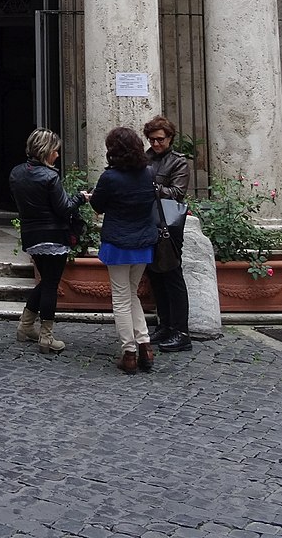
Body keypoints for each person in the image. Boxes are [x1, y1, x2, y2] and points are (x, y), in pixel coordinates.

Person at [8, 127, 87, 354]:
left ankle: (25, 326)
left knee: (45, 281)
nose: (58, 155)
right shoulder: (50, 176)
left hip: (32, 235)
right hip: (54, 236)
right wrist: (80, 197)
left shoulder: (16, 173)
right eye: (56, 150)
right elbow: (64, 209)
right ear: (46, 151)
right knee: (51, 284)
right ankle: (46, 336)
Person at [91, 127, 160, 374]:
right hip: (143, 241)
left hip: (119, 243)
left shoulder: (110, 178)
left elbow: (98, 204)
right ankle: (145, 346)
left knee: (121, 298)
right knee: (132, 294)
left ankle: (129, 352)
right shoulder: (148, 173)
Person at [143, 115, 192, 353]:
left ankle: (181, 331)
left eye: (160, 139)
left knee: (172, 275)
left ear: (170, 138)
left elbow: (177, 192)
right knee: (155, 275)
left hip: (169, 225)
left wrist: (152, 188)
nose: (156, 144)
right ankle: (164, 325)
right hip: (149, 221)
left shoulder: (178, 162)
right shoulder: (145, 158)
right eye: (152, 140)